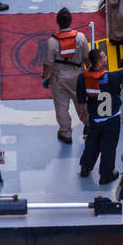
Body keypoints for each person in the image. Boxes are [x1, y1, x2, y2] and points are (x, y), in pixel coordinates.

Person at [77, 41, 123, 185]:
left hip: (95, 118)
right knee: (108, 146)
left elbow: (81, 99)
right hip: (111, 120)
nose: (106, 58)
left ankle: (85, 167)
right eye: (104, 57)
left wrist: (84, 115)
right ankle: (106, 174)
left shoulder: (83, 78)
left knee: (92, 143)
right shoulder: (112, 78)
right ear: (100, 62)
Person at [42, 8, 90, 144]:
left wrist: (45, 78)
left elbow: (48, 65)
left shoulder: (52, 42)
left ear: (57, 22)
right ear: (71, 21)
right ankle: (89, 126)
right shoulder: (80, 37)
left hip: (59, 79)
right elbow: (87, 58)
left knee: (61, 107)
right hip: (79, 77)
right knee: (82, 102)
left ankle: (65, 133)